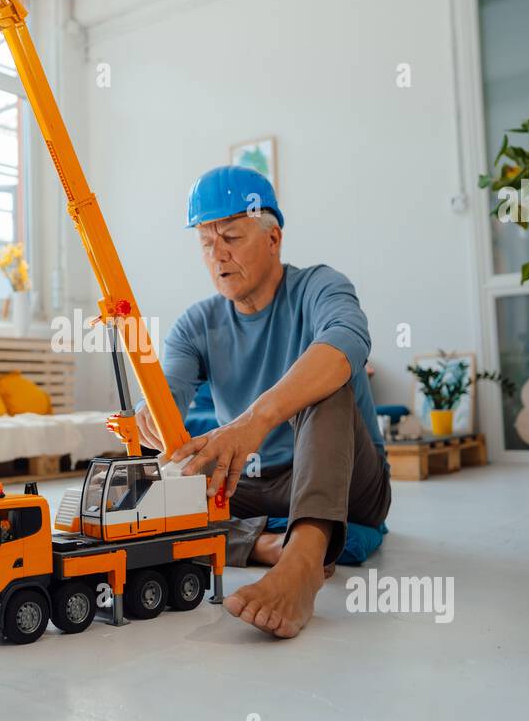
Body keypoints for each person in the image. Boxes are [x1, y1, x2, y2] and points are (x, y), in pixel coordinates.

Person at [134, 166, 391, 639]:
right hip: (249, 481)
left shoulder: (321, 286)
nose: (219, 256)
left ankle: (301, 564)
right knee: (152, 494)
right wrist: (155, 416)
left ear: (273, 238)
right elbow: (171, 386)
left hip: (347, 477)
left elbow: (346, 343)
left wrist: (256, 420)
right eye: (207, 243)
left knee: (326, 382)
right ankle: (265, 544)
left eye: (231, 236)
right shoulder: (196, 323)